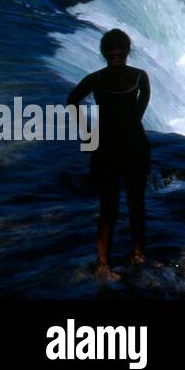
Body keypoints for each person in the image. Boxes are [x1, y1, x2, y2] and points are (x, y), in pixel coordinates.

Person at [66, 28, 152, 282]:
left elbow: (139, 111)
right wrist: (87, 134)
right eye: (111, 48)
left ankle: (138, 253)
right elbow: (71, 101)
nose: (116, 52)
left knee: (137, 202)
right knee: (108, 206)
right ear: (104, 52)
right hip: (105, 148)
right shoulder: (96, 79)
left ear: (128, 51)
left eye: (120, 48)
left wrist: (123, 132)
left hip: (135, 146)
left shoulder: (140, 77)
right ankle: (103, 263)